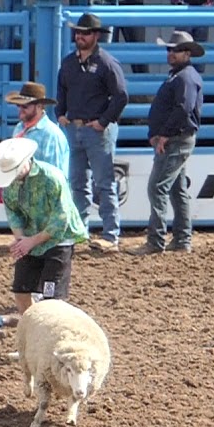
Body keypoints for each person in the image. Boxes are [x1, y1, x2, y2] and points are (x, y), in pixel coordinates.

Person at [0, 137, 88, 314]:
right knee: (21, 291)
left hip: (58, 240)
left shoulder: (51, 178)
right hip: (30, 238)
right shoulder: (11, 185)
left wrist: (30, 242)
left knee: (51, 296)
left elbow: (60, 218)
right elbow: (13, 212)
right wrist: (20, 240)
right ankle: (31, 325)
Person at [55, 13, 128, 253]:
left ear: (95, 36)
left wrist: (103, 121)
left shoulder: (107, 63)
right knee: (78, 183)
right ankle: (80, 231)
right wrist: (61, 113)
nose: (80, 36)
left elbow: (121, 97)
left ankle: (110, 235)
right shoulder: (69, 63)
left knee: (103, 183)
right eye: (78, 32)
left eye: (84, 33)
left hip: (96, 130)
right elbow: (62, 90)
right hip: (76, 127)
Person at [130, 31, 204, 257]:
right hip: (178, 137)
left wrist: (163, 134)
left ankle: (156, 240)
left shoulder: (183, 78)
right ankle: (181, 239)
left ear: (187, 53)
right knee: (176, 189)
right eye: (169, 49)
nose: (171, 53)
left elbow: (183, 109)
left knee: (158, 187)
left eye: (176, 50)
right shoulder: (183, 76)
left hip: (176, 139)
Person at [6, 81, 69, 177]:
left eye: (25, 106)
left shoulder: (51, 135)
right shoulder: (19, 128)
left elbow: (56, 176)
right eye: (18, 105)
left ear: (39, 106)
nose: (20, 109)